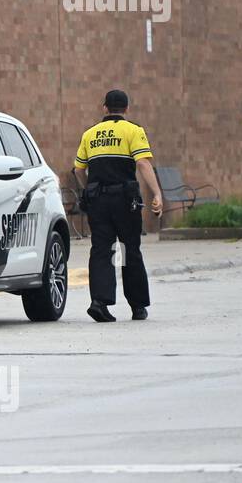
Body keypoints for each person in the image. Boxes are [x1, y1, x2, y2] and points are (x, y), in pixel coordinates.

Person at [73, 89, 163, 322]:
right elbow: (142, 163)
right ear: (126, 109)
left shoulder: (89, 134)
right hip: (125, 202)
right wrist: (156, 193)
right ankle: (137, 306)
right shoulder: (133, 131)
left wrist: (87, 190)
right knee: (129, 250)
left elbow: (79, 169)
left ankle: (99, 303)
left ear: (104, 108)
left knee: (102, 250)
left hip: (98, 203)